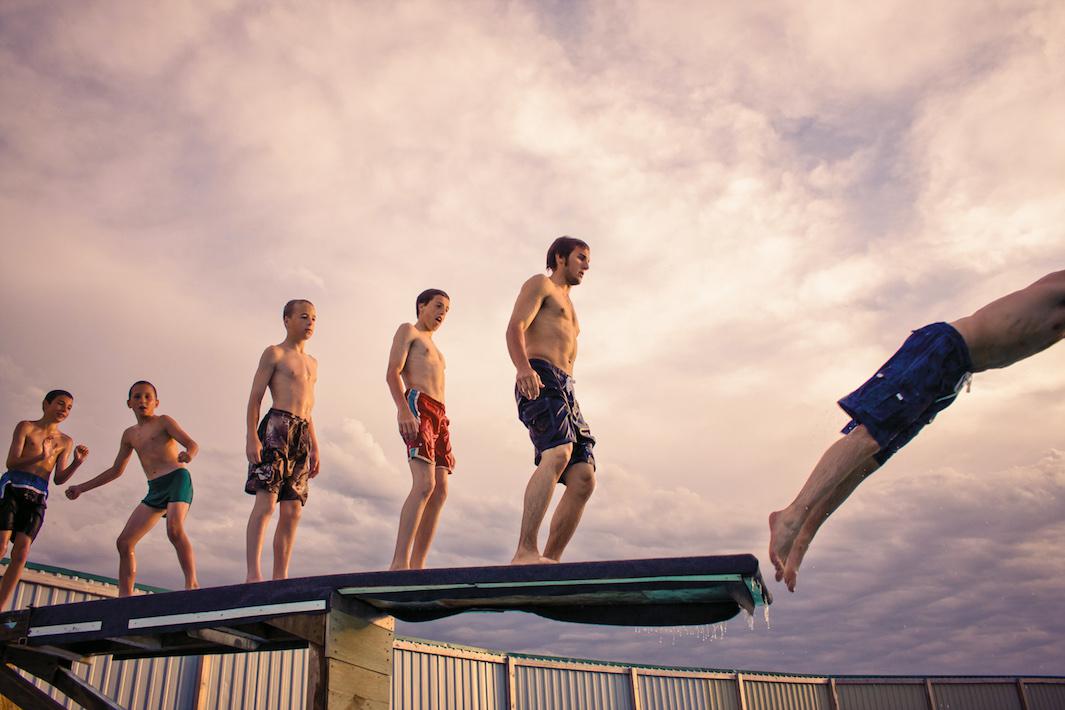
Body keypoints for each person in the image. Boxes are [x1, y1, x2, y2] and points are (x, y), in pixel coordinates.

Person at [770, 270, 1065, 592]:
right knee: (869, 437)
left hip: (954, 377)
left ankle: (803, 537)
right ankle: (793, 513)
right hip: (945, 348)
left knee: (869, 462)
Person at [507, 236, 596, 564]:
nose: (586, 265)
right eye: (581, 258)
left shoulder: (571, 308)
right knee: (557, 452)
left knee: (584, 478)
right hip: (540, 374)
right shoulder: (541, 284)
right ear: (560, 257)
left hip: (567, 388)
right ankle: (525, 550)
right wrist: (522, 368)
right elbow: (515, 326)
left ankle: (550, 560)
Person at [65, 381, 199, 595]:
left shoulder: (164, 421)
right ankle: (125, 597)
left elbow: (192, 443)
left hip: (177, 479)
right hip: (155, 488)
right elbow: (116, 470)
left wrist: (188, 454)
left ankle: (191, 584)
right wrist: (81, 488)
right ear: (129, 403)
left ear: (156, 402)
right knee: (124, 542)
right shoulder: (129, 435)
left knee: (174, 530)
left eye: (147, 397)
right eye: (137, 397)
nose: (142, 401)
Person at [245, 299, 320, 582]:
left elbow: (310, 407)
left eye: (313, 318)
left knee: (293, 510)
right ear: (287, 320)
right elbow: (255, 397)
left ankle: (281, 577)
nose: (310, 322)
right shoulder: (274, 353)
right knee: (267, 503)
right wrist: (252, 436)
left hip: (301, 433)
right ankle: (254, 574)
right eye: (303, 316)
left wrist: (314, 446)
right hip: (276, 427)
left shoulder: (313, 363)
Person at [386, 289, 454, 570]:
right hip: (418, 404)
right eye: (438, 306)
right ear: (422, 306)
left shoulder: (437, 350)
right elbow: (392, 372)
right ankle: (399, 563)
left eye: (447, 310)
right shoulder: (408, 331)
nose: (442, 313)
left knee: (440, 490)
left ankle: (418, 564)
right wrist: (403, 408)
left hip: (440, 414)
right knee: (424, 484)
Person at [1, 390, 88, 609]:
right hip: (14, 487)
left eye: (68, 407)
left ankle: (0, 606)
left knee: (21, 551)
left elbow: (58, 479)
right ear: (46, 404)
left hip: (39, 492)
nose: (64, 410)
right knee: (1, 545)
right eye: (60, 404)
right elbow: (11, 462)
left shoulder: (65, 441)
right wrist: (41, 455)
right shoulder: (26, 427)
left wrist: (77, 463)